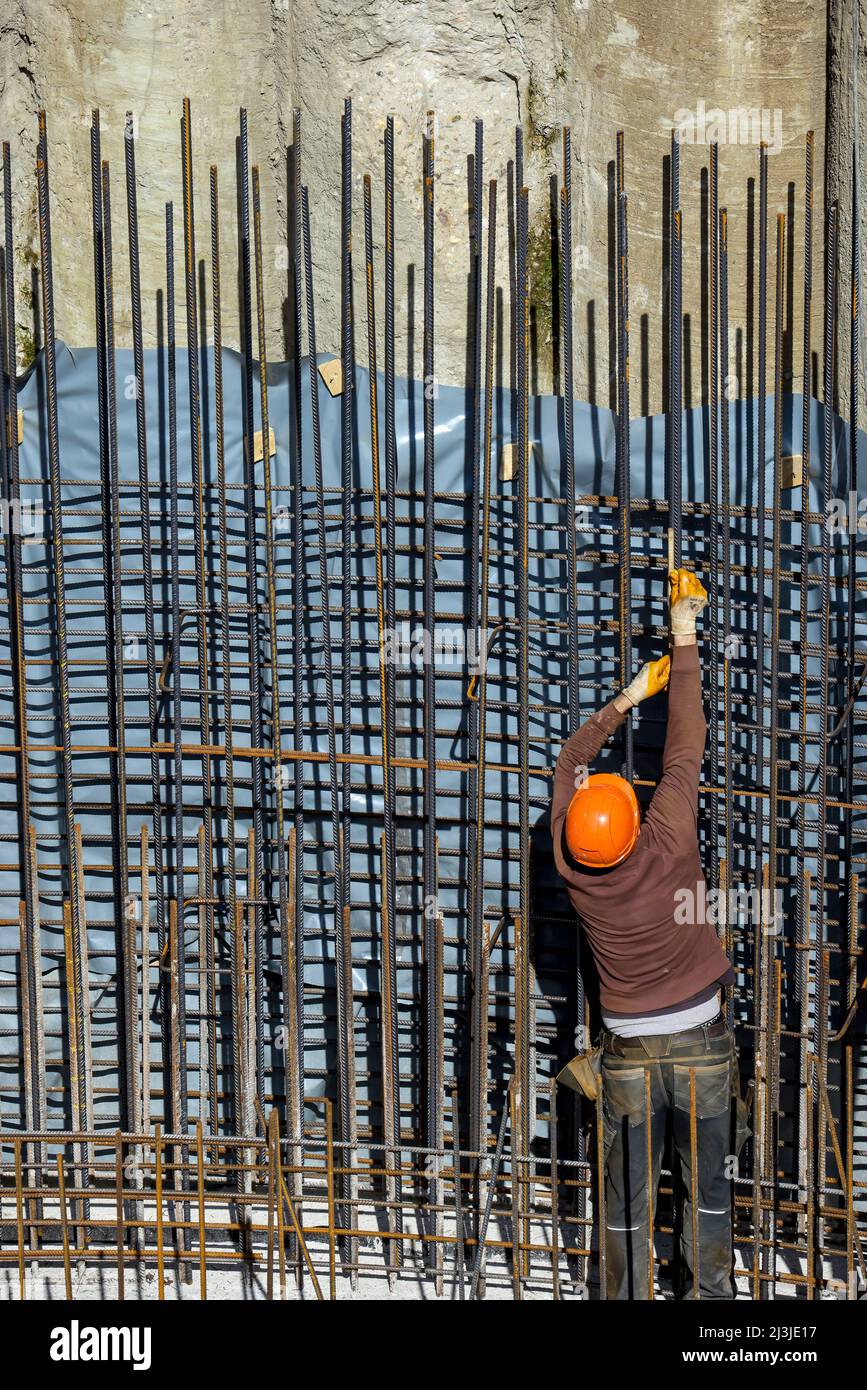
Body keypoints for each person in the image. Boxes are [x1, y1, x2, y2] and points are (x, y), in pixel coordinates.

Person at [551, 568, 737, 1300]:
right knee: (707, 1192)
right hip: (700, 1044)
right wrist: (680, 641)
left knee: (622, 1204)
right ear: (631, 820)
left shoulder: (572, 865)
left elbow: (567, 763)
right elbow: (683, 745)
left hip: (625, 1053)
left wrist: (622, 698)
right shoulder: (666, 836)